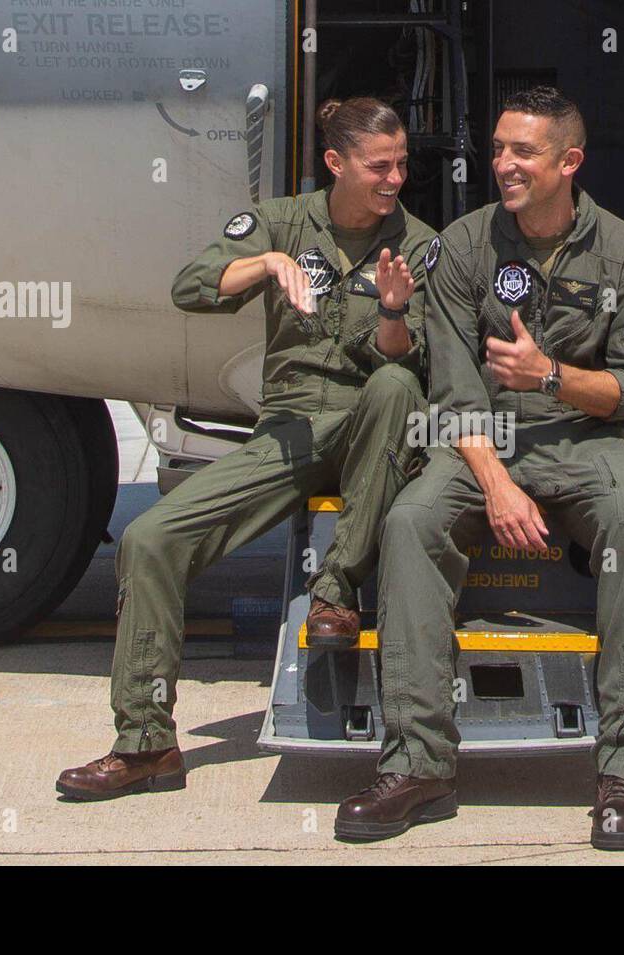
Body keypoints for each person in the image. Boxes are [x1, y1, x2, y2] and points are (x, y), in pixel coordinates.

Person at [57, 97, 435, 800]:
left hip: (374, 432)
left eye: (402, 163)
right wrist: (263, 263)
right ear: (336, 163)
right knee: (148, 539)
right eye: (380, 165)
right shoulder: (285, 222)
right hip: (290, 431)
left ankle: (336, 590)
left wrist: (390, 311)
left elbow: (416, 363)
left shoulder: (417, 243)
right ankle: (146, 743)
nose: (395, 178)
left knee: (392, 385)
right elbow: (192, 287)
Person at [336, 87, 624, 850]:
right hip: (483, 437)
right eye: (498, 148)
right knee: (411, 521)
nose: (503, 164)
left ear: (569, 161)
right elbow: (454, 394)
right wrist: (497, 485)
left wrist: (549, 373)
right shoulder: (463, 248)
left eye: (522, 151)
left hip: (585, 436)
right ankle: (418, 761)